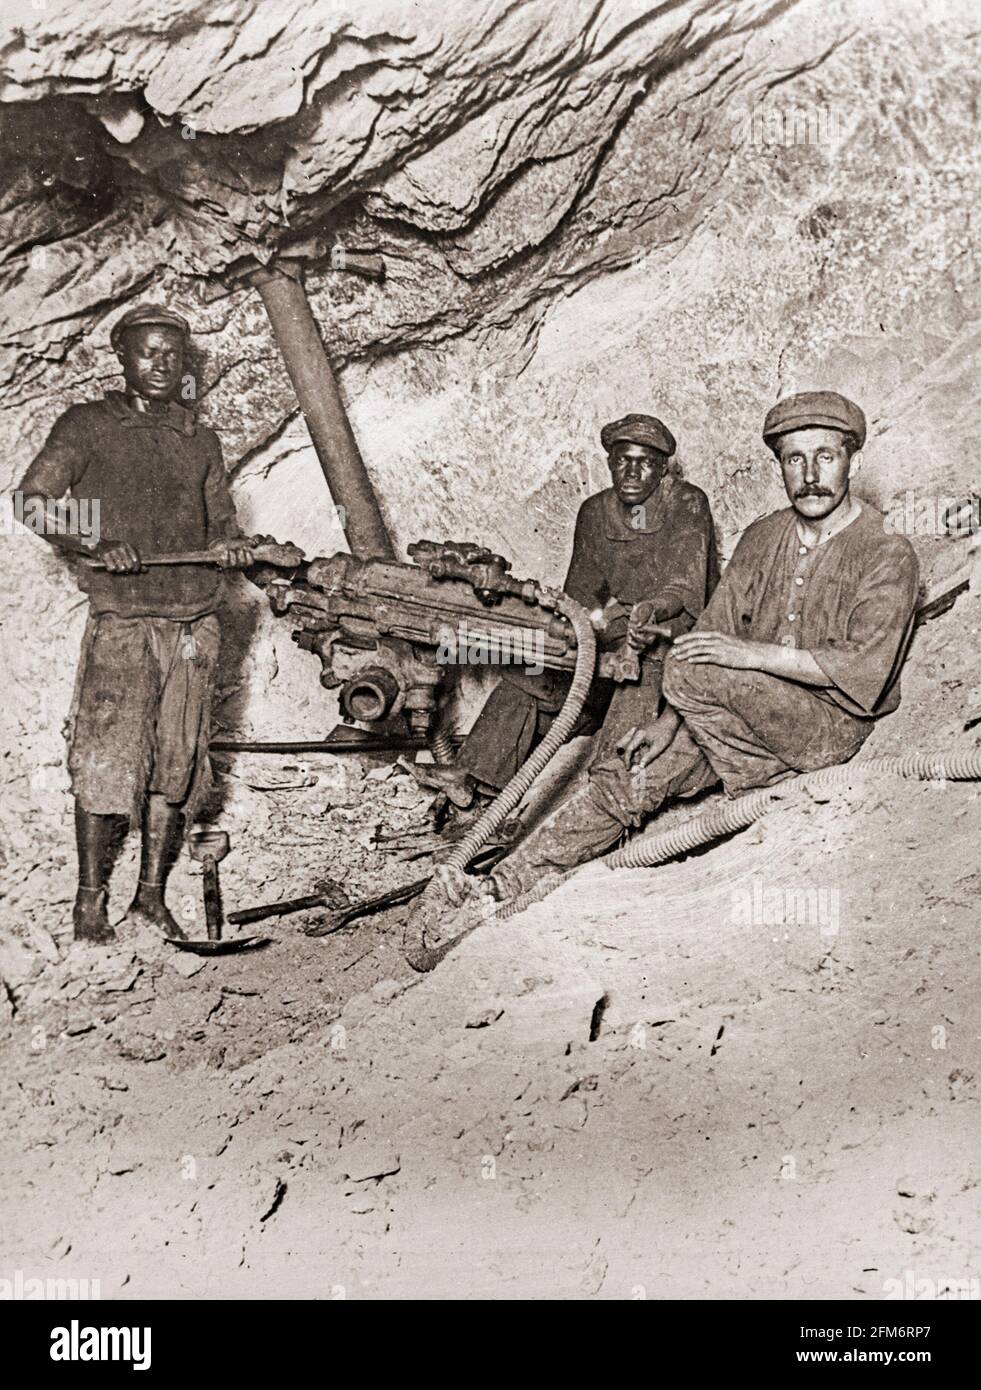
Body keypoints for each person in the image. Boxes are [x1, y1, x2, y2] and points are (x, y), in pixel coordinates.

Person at [446, 391, 919, 903]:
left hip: (825, 724)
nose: (809, 475)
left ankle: (764, 785)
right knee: (630, 773)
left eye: (825, 457)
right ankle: (506, 882)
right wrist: (667, 724)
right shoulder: (763, 537)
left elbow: (860, 668)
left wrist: (744, 656)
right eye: (794, 460)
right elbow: (709, 631)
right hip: (738, 717)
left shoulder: (886, 549)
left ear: (854, 462)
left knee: (686, 671)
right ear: (779, 467)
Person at [17, 302, 256, 943]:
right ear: (121, 356)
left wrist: (230, 545)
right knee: (107, 758)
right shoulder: (89, 425)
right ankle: (89, 902)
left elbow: (221, 521)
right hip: (124, 621)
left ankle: (150, 897)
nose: (160, 363)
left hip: (194, 623)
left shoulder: (198, 437)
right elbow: (32, 501)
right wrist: (94, 543)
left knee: (177, 763)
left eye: (171, 353)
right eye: (147, 351)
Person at [415, 413, 717, 822]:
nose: (631, 472)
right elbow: (580, 595)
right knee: (530, 674)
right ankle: (475, 784)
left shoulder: (686, 502)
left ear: (664, 469)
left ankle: (604, 801)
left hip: (669, 632)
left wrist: (650, 612)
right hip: (616, 630)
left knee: (638, 678)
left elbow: (685, 587)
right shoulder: (595, 512)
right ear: (609, 463)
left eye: (645, 462)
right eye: (622, 460)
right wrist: (566, 635)